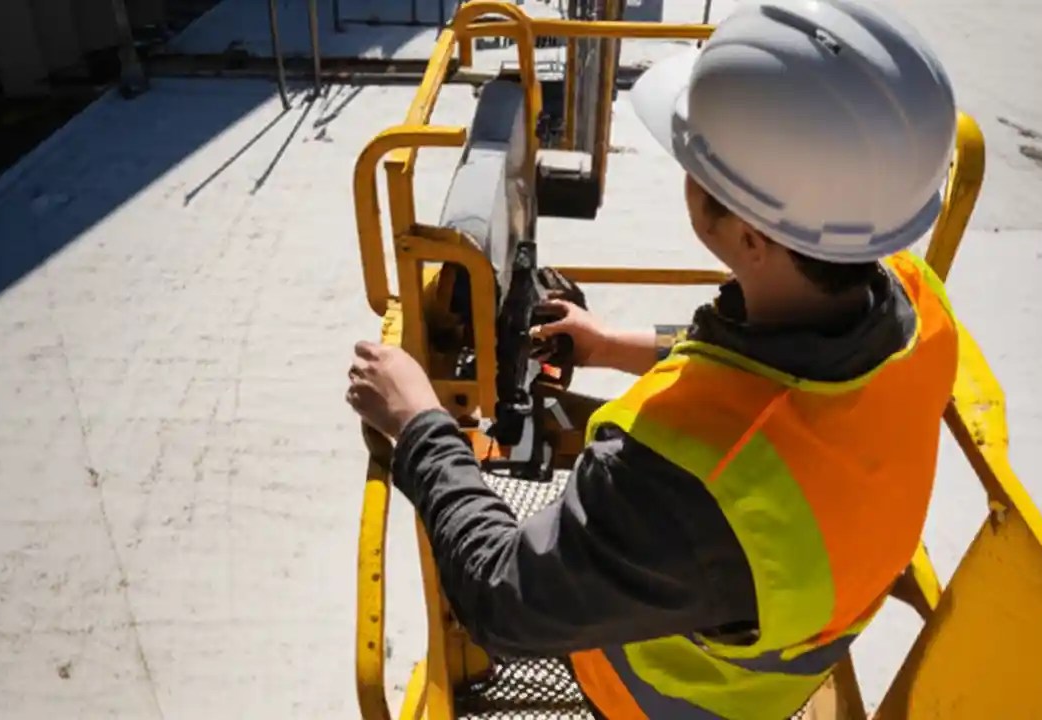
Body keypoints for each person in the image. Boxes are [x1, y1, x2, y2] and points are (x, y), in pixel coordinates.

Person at [345, 0, 961, 717]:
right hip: (793, 625)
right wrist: (612, 345)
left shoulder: (678, 483)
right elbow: (783, 387)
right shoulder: (920, 305)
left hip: (671, 699)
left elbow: (503, 600)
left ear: (749, 238)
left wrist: (418, 420)